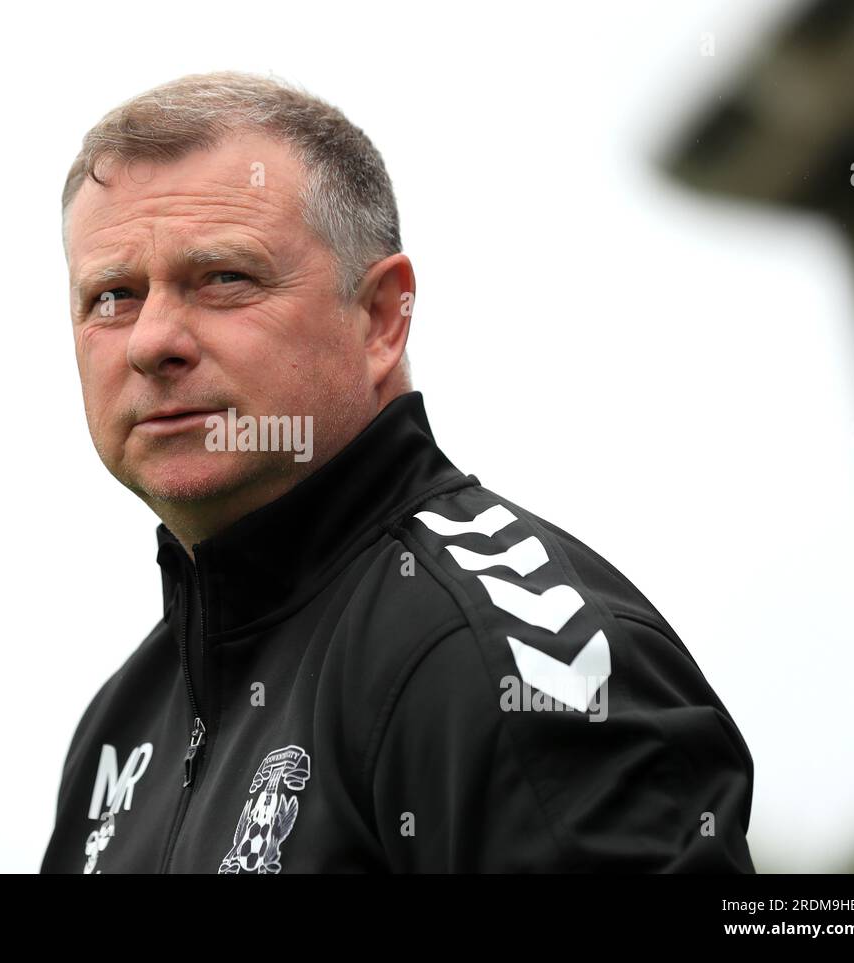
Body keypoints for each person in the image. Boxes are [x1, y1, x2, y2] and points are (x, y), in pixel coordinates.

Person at [39, 70, 755, 873]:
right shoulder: (118, 732)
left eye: (223, 278)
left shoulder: (497, 657)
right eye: (112, 296)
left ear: (381, 317)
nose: (151, 340)